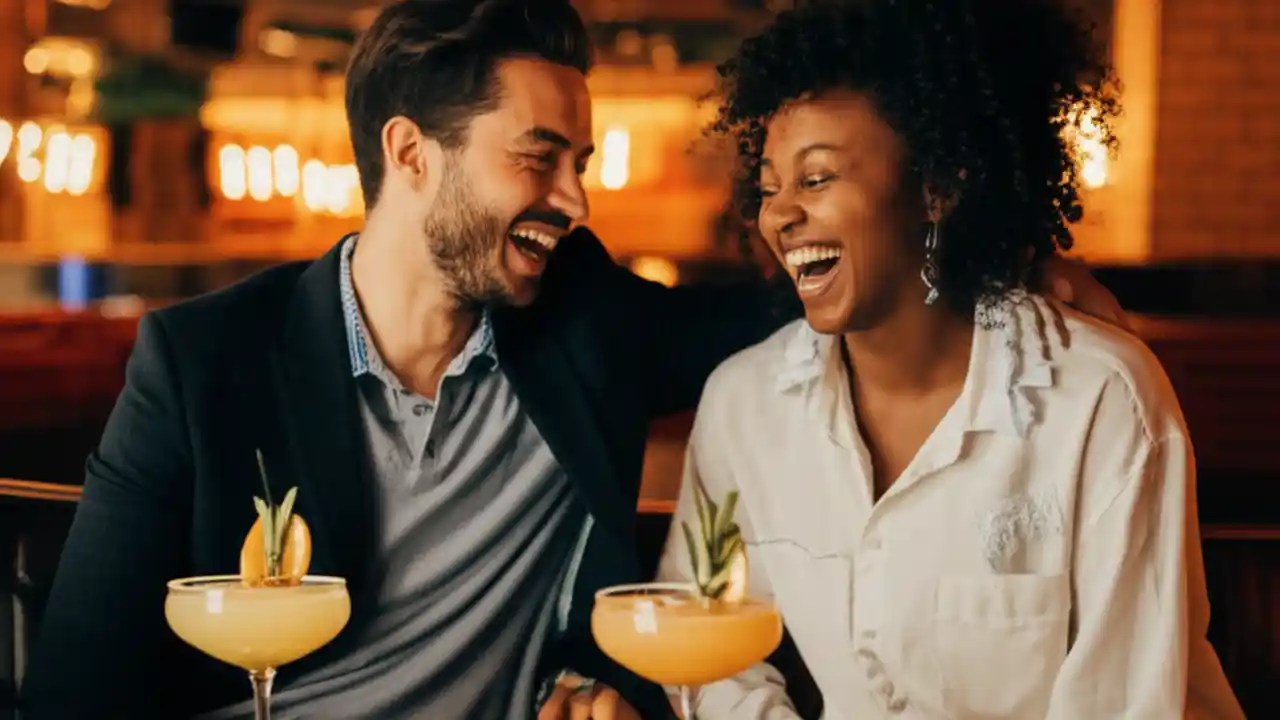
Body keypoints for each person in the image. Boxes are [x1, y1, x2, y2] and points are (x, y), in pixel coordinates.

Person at [20, 1, 1126, 718]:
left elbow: (797, 306)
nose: (576, 199)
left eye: (580, 159)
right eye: (539, 157)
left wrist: (996, 272)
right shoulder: (204, 360)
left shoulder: (580, 320)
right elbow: (74, 694)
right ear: (409, 154)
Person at [657, 1, 1245, 719]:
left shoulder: (1098, 401)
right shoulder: (744, 406)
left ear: (938, 187)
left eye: (816, 180)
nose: (779, 215)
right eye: (770, 187)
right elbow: (702, 632)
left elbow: (1126, 702)